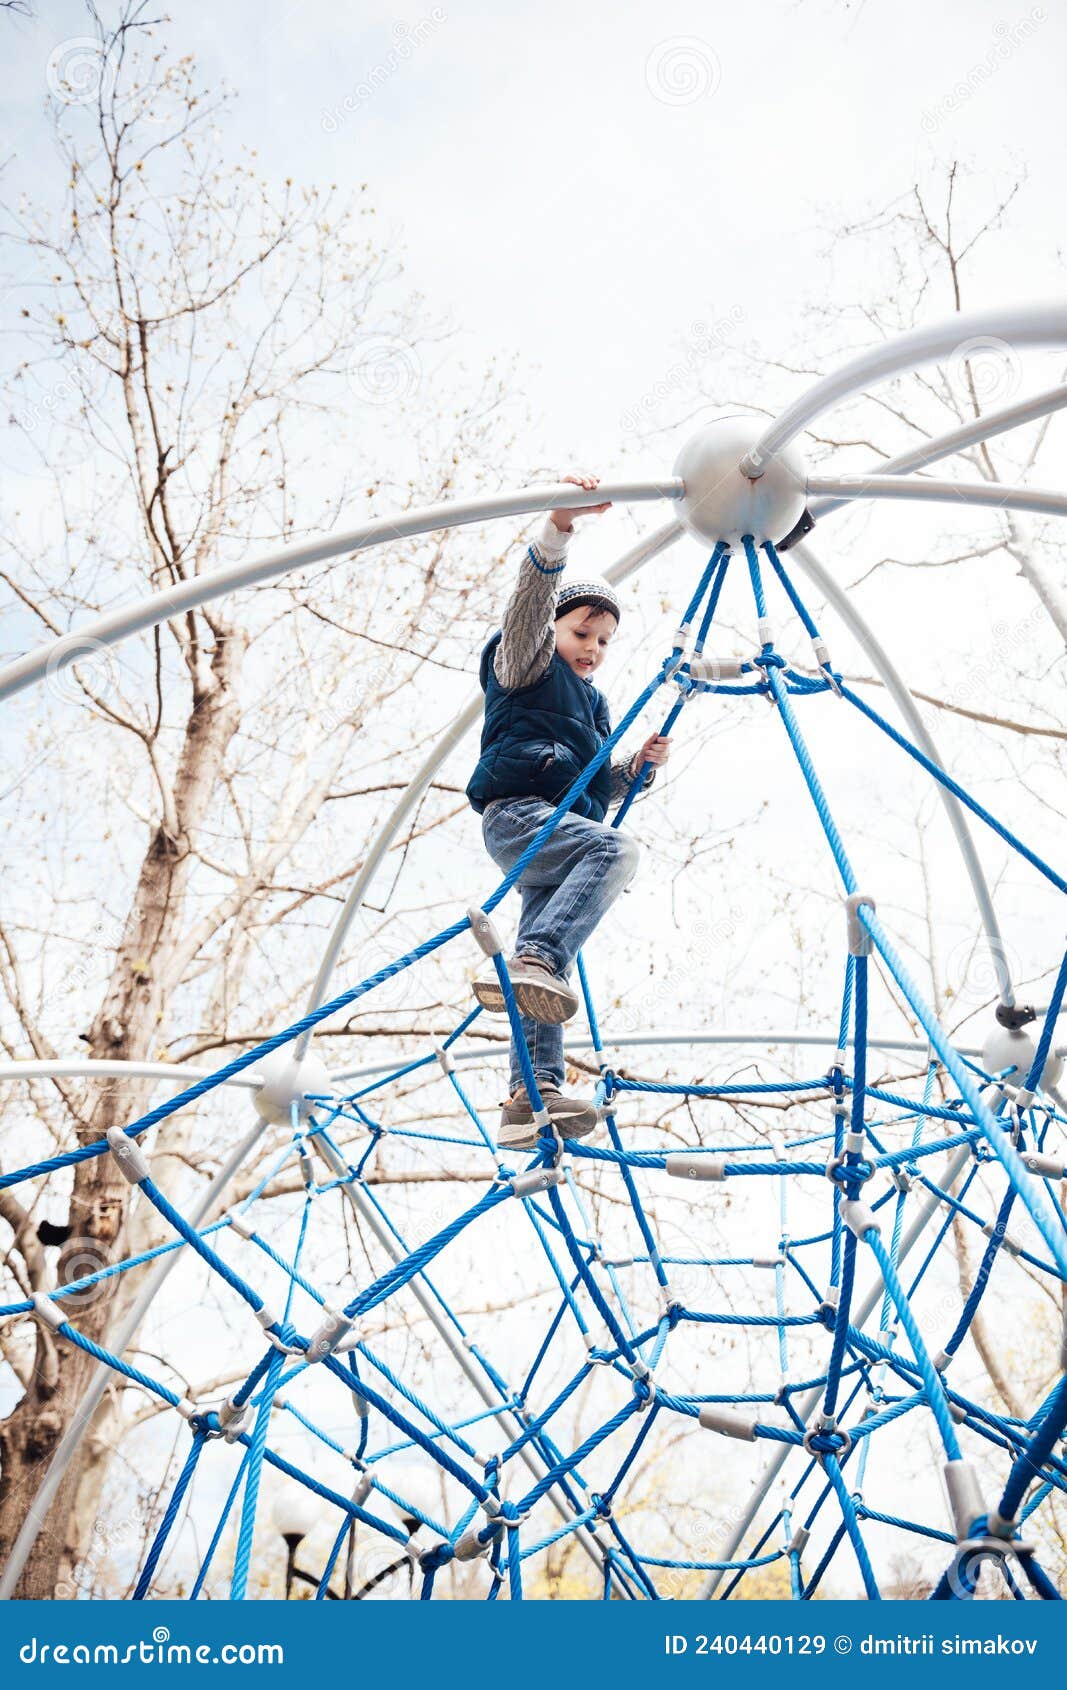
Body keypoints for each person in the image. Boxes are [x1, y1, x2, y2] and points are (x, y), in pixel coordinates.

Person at [466, 472, 671, 1149]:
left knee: (547, 985)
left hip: (557, 834)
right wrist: (558, 530)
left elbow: (590, 784)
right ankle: (537, 956)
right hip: (519, 814)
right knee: (614, 854)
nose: (593, 648)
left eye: (605, 641)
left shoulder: (595, 707)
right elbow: (528, 605)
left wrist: (629, 773)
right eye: (583, 631)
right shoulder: (523, 664)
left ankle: (531, 1095)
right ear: (553, 629)